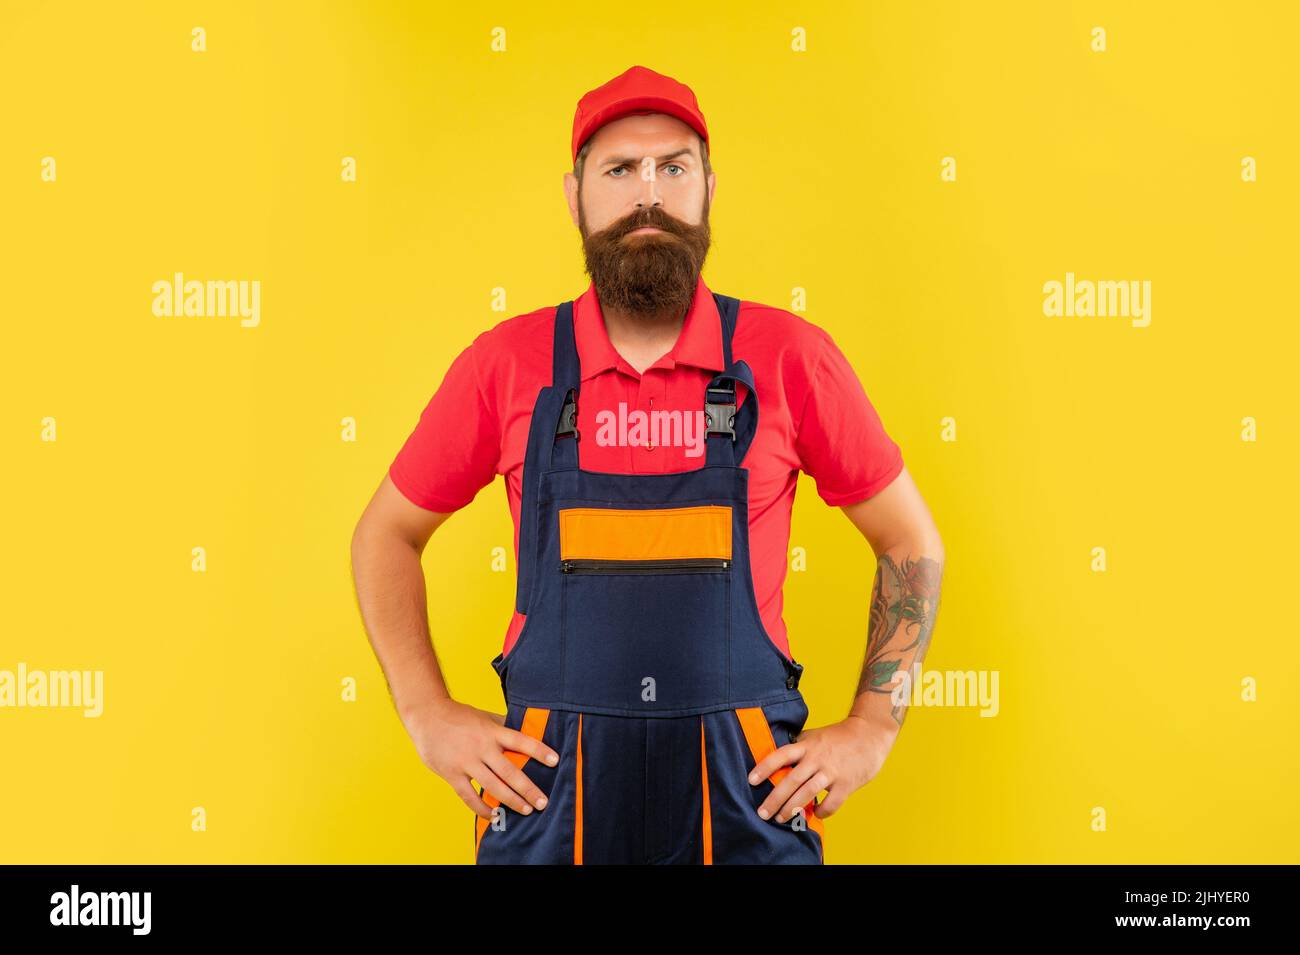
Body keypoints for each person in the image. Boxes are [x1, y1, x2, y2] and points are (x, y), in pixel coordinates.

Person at [351, 65, 945, 864]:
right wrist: (425, 711)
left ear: (708, 188)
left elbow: (911, 541)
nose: (649, 195)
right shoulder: (508, 364)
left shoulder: (789, 358)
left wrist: (873, 727)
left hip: (747, 806)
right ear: (574, 196)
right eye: (620, 170)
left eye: (674, 167)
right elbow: (385, 533)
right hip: (549, 804)